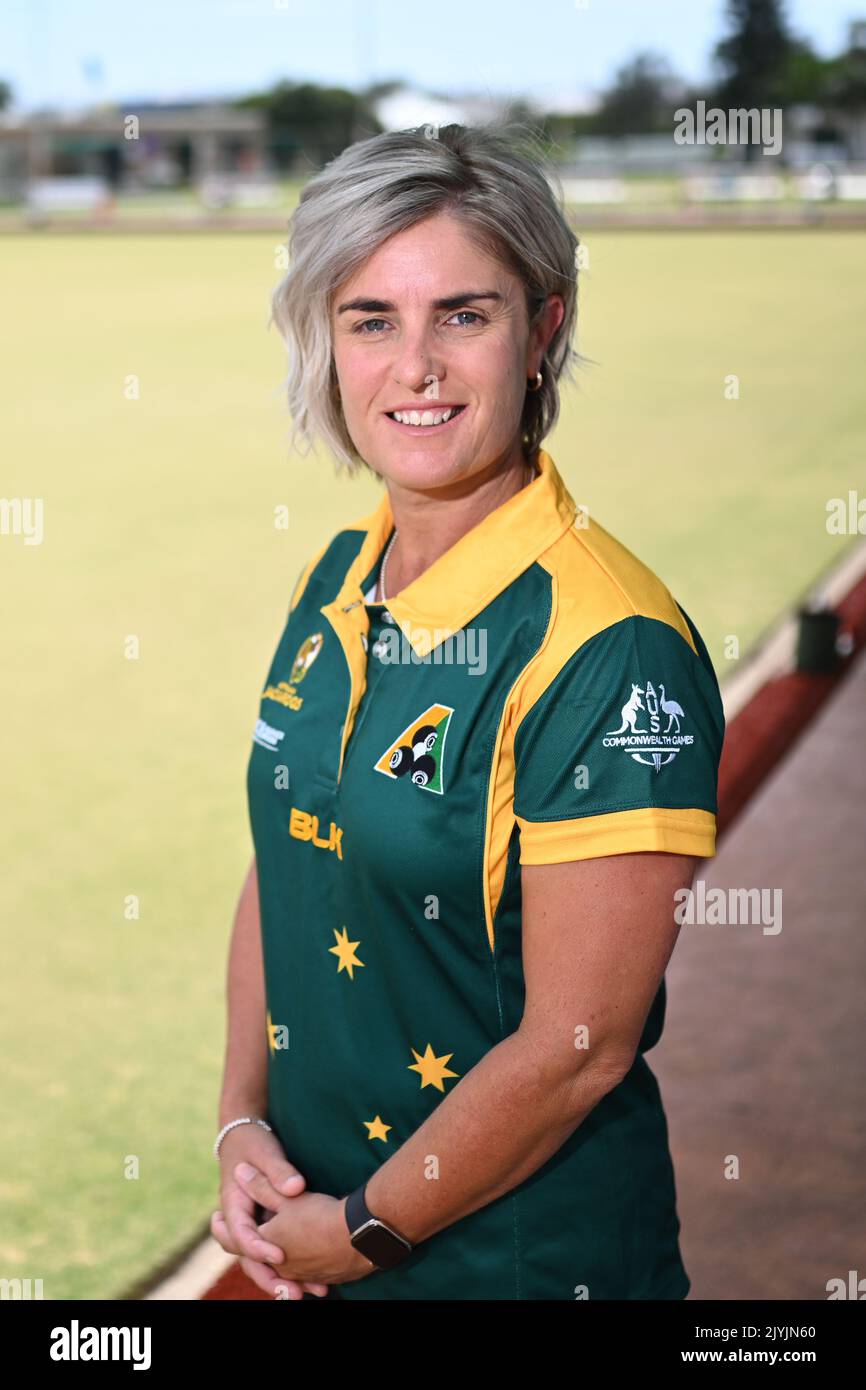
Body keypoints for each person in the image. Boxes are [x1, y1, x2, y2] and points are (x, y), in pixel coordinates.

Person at [210, 122, 726, 1301]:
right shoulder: (339, 574)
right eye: (370, 319)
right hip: (330, 1242)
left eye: (463, 313)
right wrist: (239, 1123)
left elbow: (576, 1050)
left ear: (543, 330)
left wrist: (366, 1231)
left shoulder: (610, 644)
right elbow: (284, 862)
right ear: (323, 341)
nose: (416, 367)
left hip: (522, 1268)